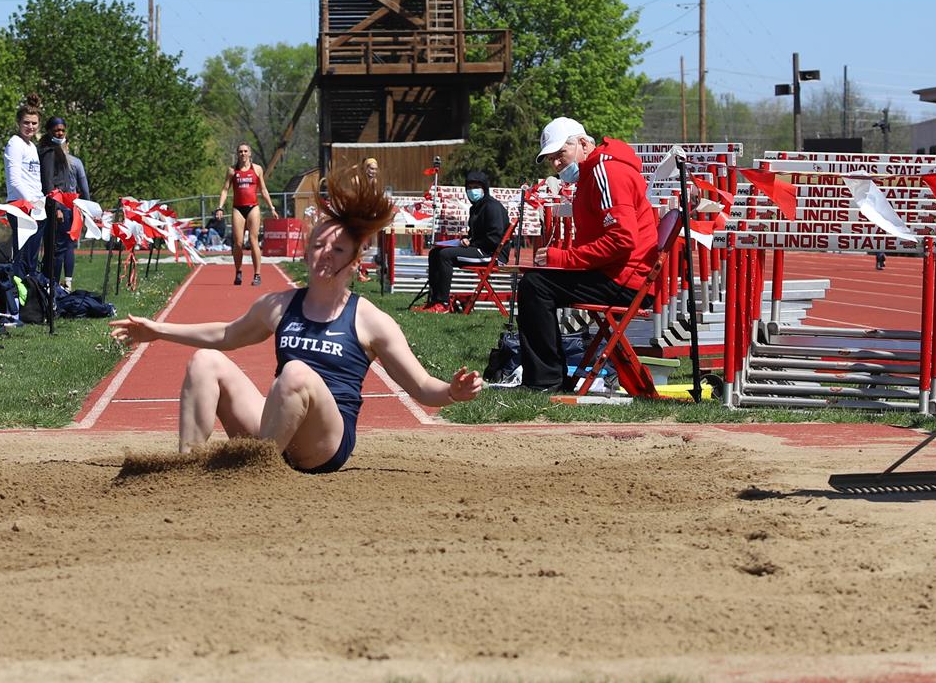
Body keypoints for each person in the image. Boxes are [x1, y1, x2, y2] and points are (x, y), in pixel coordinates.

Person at [110, 163, 482, 472]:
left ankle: (257, 472)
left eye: (337, 249)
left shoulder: (371, 321)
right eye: (318, 245)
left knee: (297, 373)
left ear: (354, 262)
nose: (325, 255)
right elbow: (226, 334)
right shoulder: (280, 305)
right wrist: (158, 331)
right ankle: (185, 470)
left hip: (324, 442)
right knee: (205, 362)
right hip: (278, 423)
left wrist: (452, 392)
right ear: (305, 253)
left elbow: (420, 386)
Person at [507, 117, 658, 392]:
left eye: (560, 155)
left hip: (626, 280)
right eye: (551, 159)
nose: (556, 164)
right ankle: (548, 376)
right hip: (621, 274)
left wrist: (563, 259)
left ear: (584, 144)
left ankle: (545, 380)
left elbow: (622, 239)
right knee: (536, 282)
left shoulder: (607, 173)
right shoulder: (595, 173)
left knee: (535, 286)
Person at [418, 168, 511, 312]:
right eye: (469, 187)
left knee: (444, 256)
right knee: (435, 253)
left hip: (492, 254)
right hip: (480, 249)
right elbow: (476, 234)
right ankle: (434, 300)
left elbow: (495, 238)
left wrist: (471, 243)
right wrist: (466, 239)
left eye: (476, 187)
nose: (472, 191)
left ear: (484, 189)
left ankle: (443, 304)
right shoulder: (475, 208)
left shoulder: (492, 207)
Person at [216, 143, 276, 287]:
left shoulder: (257, 169)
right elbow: (225, 189)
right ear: (237, 154)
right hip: (238, 208)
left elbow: (263, 189)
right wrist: (220, 207)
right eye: (240, 151)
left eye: (245, 151)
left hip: (253, 208)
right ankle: (238, 271)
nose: (243, 154)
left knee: (254, 240)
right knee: (238, 243)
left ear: (250, 153)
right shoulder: (232, 171)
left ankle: (257, 274)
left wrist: (271, 207)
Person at [44, 115, 89, 289]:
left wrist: (85, 208)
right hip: (61, 206)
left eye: (62, 131)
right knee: (65, 246)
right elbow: (84, 188)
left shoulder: (73, 163)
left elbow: (83, 187)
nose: (60, 133)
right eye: (57, 130)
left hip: (70, 207)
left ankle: (60, 283)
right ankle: (62, 282)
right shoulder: (59, 159)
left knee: (61, 246)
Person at [5, 98, 45, 275]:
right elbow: (15, 180)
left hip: (36, 206)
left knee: (32, 258)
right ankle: (18, 296)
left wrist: (41, 201)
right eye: (26, 122)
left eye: (34, 123)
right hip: (21, 205)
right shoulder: (15, 143)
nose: (30, 126)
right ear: (18, 123)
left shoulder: (32, 146)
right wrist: (31, 202)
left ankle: (32, 295)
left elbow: (34, 179)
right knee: (22, 257)